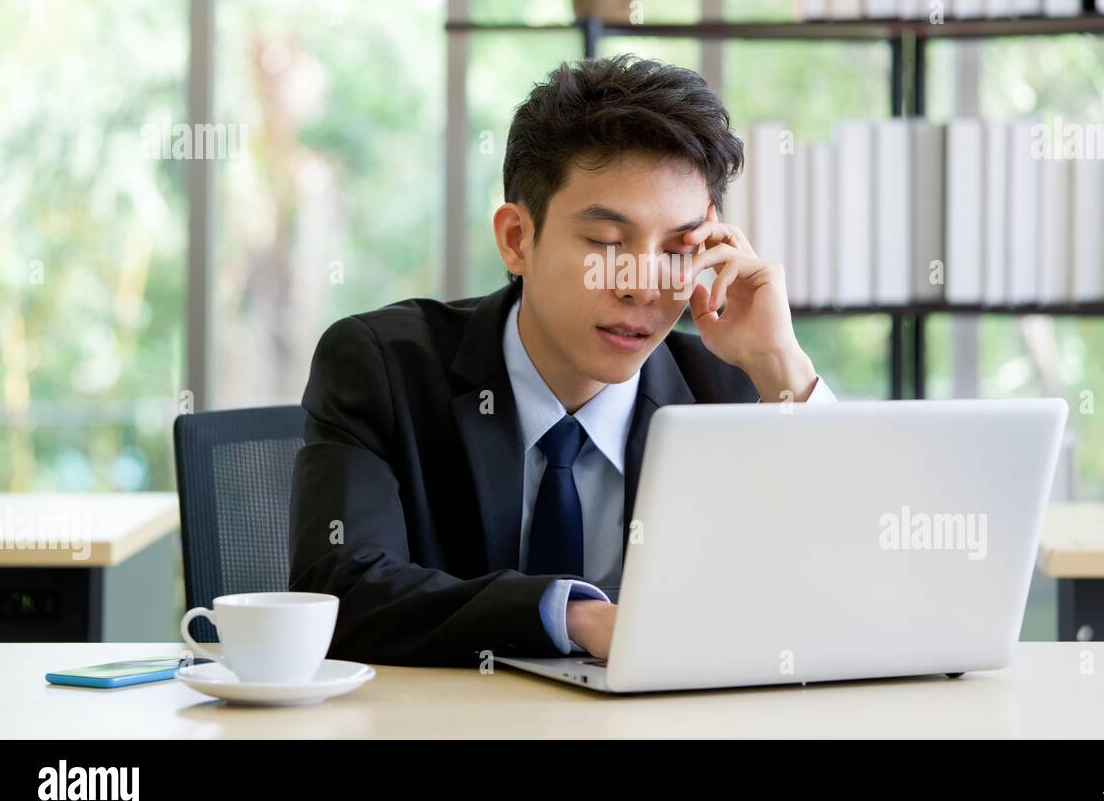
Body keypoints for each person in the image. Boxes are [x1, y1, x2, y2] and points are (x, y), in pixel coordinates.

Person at [288, 53, 836, 666]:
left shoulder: (731, 386)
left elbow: (857, 590)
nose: (642, 287)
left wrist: (782, 367)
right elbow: (337, 595)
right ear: (517, 240)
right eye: (607, 243)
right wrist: (575, 616)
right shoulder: (383, 367)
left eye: (679, 249)